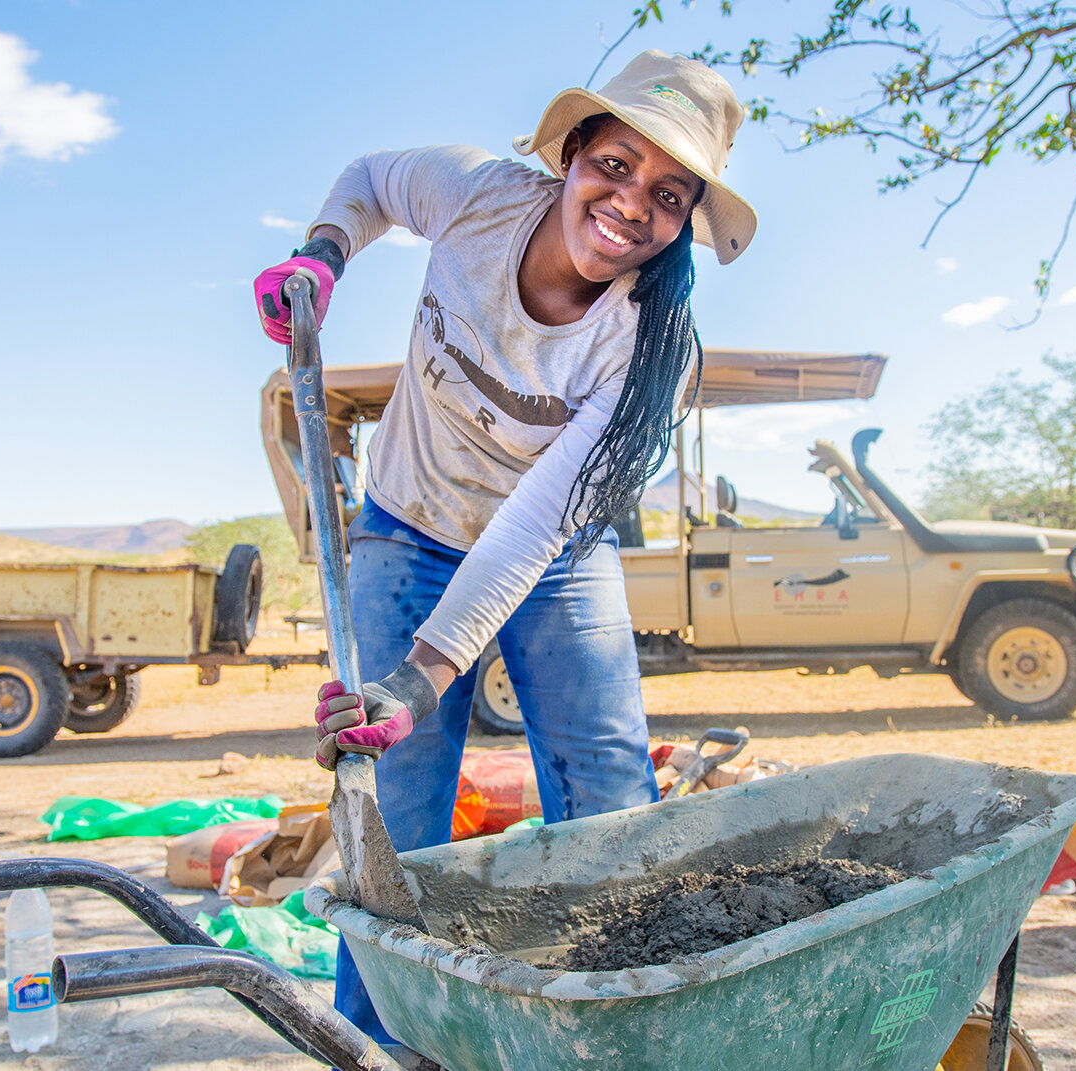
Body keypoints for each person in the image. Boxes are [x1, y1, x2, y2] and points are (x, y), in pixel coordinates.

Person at [253, 49, 757, 1049]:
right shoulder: (479, 196)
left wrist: (424, 675)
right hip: (405, 526)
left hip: (557, 557)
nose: (626, 205)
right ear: (571, 154)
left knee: (607, 791)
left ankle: (615, 1033)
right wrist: (322, 253)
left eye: (665, 194)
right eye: (613, 164)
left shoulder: (649, 349)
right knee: (388, 812)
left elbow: (533, 531)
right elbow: (368, 181)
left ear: (684, 220)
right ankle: (382, 1044)